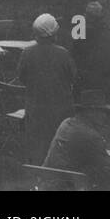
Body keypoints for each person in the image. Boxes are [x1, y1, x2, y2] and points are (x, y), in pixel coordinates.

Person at [17, 13, 77, 165]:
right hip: (60, 111)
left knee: (38, 148)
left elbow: (22, 78)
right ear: (54, 35)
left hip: (35, 110)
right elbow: (73, 78)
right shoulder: (63, 54)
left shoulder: (26, 53)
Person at [42, 91, 110, 189]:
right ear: (90, 112)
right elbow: (109, 167)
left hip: (48, 183)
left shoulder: (66, 123)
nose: (104, 116)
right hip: (66, 186)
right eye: (101, 111)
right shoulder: (90, 135)